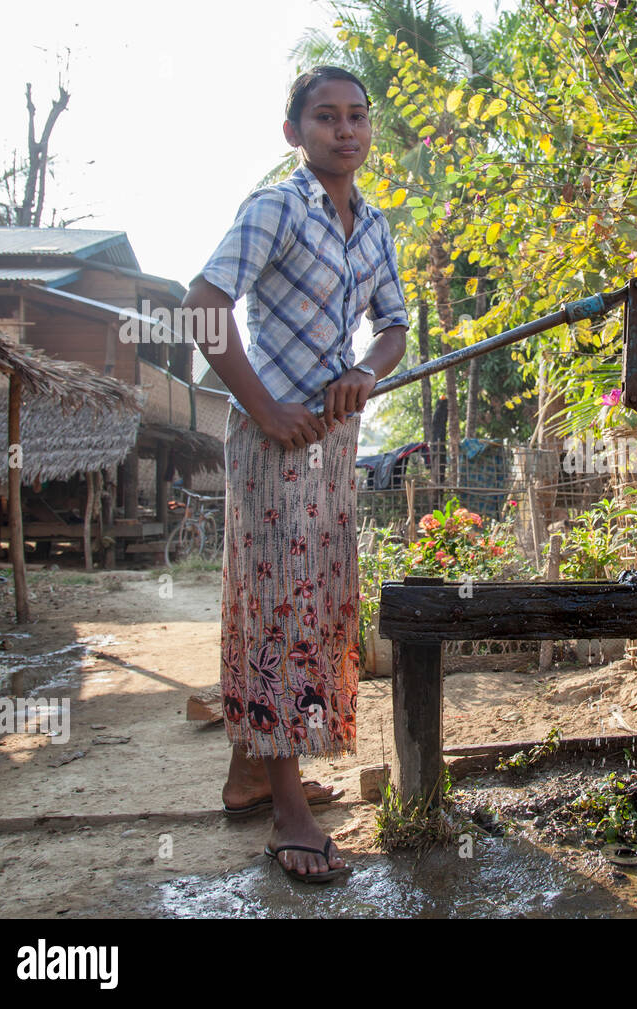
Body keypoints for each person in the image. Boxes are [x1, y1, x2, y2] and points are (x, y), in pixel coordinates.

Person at [182, 65, 409, 883]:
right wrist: (267, 409)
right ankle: (288, 809)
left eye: (356, 117)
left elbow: (395, 328)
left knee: (310, 599)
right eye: (325, 118)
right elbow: (204, 302)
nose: (344, 130)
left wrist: (366, 371)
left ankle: (251, 772)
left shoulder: (374, 225)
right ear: (294, 133)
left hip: (332, 444)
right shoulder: (279, 207)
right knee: (277, 605)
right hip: (273, 445)